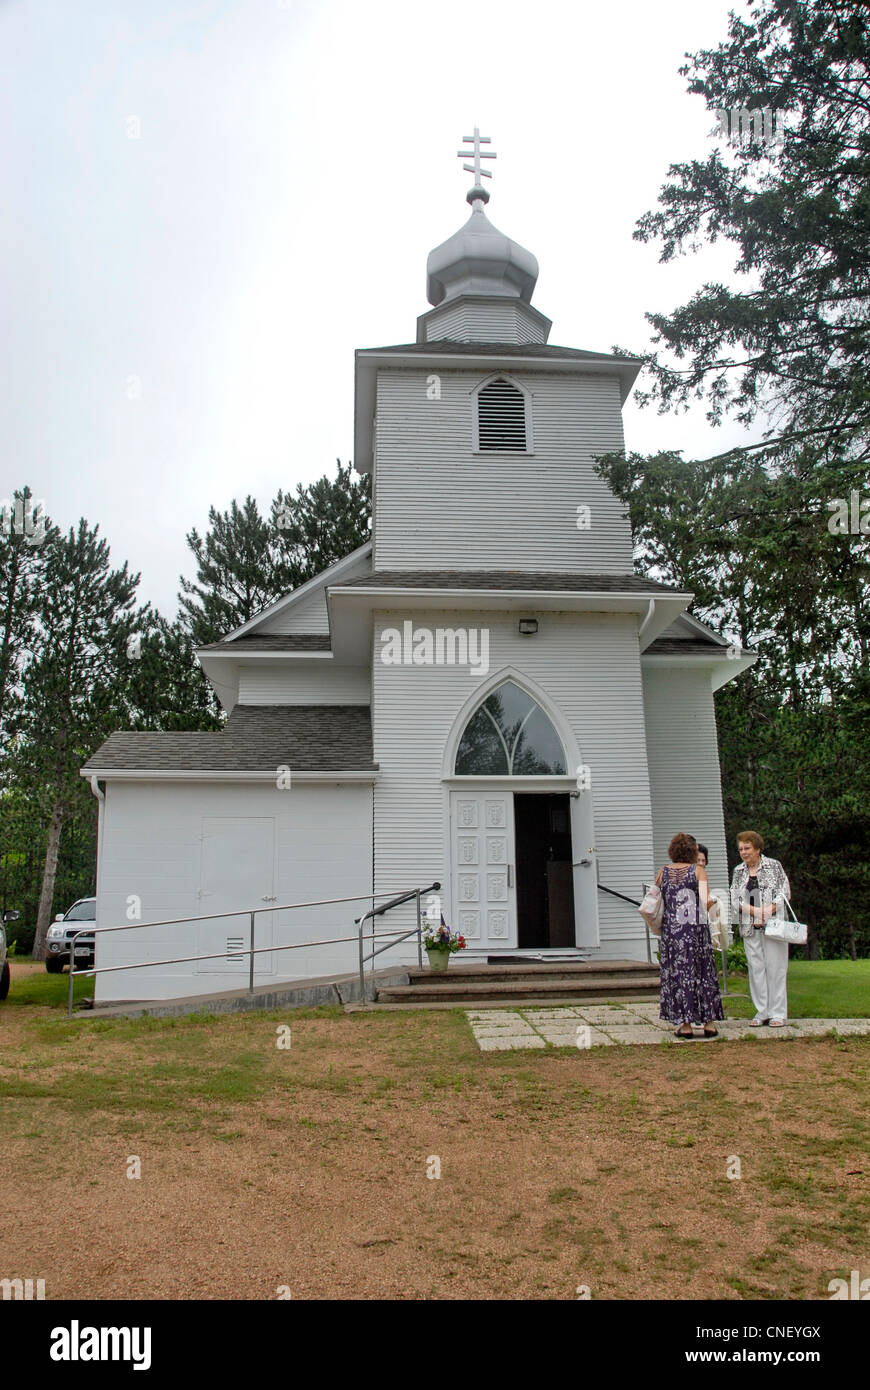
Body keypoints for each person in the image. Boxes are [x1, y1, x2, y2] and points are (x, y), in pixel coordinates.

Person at [656, 832, 725, 1039]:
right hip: (695, 930)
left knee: (679, 974)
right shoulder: (698, 872)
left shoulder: (663, 872)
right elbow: (705, 901)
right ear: (692, 852)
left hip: (673, 930)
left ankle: (684, 1024)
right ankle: (708, 1023)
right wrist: (718, 902)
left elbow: (656, 899)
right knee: (702, 972)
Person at [730, 830, 791, 1028]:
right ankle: (762, 1011)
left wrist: (769, 910)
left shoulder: (774, 866)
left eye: (747, 848)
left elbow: (784, 891)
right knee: (756, 969)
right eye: (740, 849)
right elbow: (735, 899)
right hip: (750, 926)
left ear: (757, 848)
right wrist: (755, 912)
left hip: (774, 925)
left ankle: (778, 1013)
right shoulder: (739, 871)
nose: (743, 852)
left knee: (776, 968)